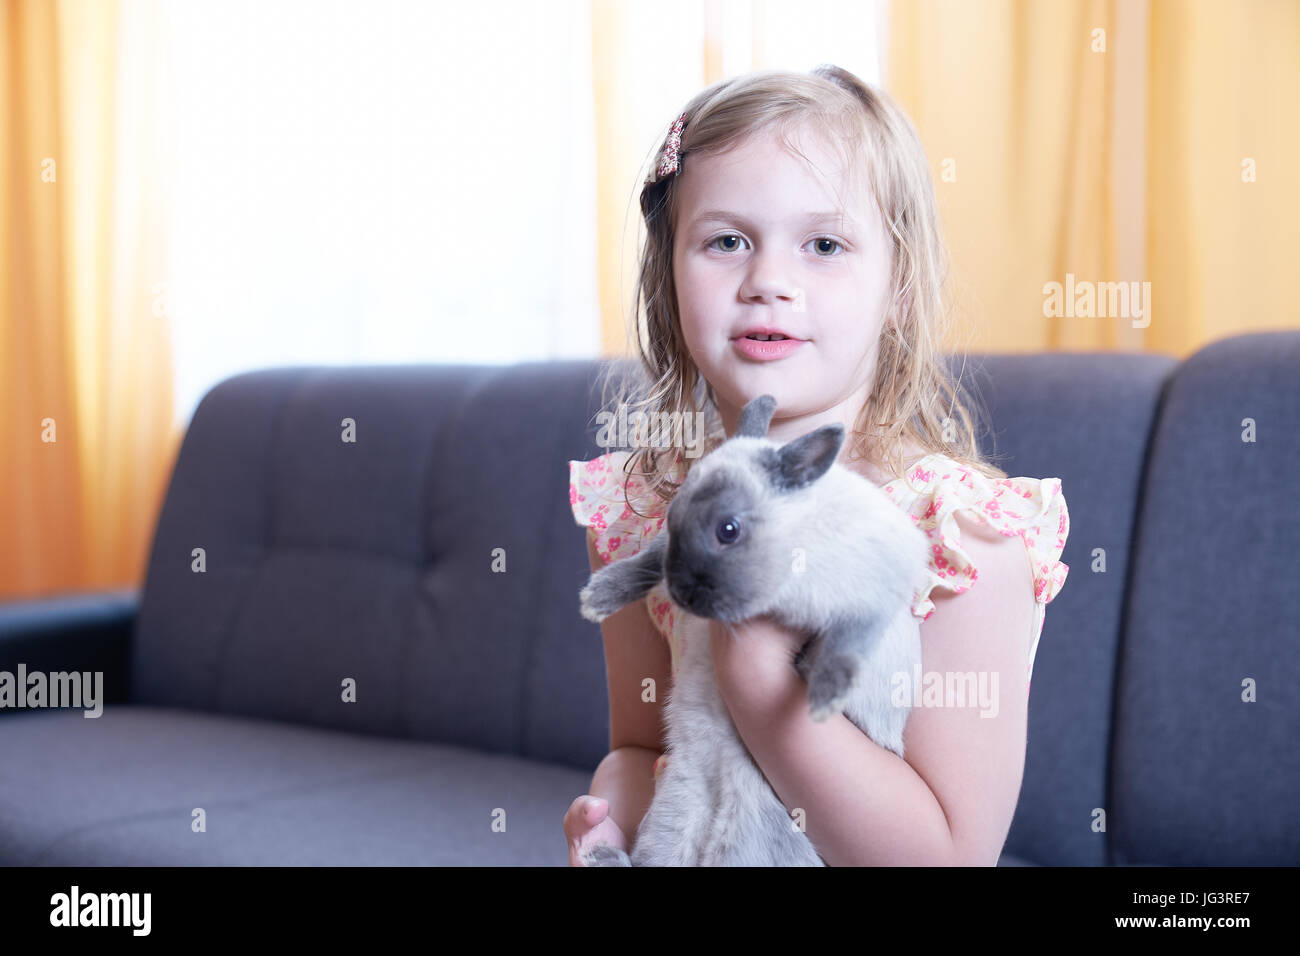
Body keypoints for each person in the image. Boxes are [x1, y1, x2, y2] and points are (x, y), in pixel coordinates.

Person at [563, 64, 1069, 867]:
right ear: (669, 273)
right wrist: (613, 820)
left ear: (899, 284)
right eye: (726, 241)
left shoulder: (959, 537)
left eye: (825, 244)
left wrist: (762, 684)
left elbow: (947, 857)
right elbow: (638, 745)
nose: (769, 281)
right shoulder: (643, 513)